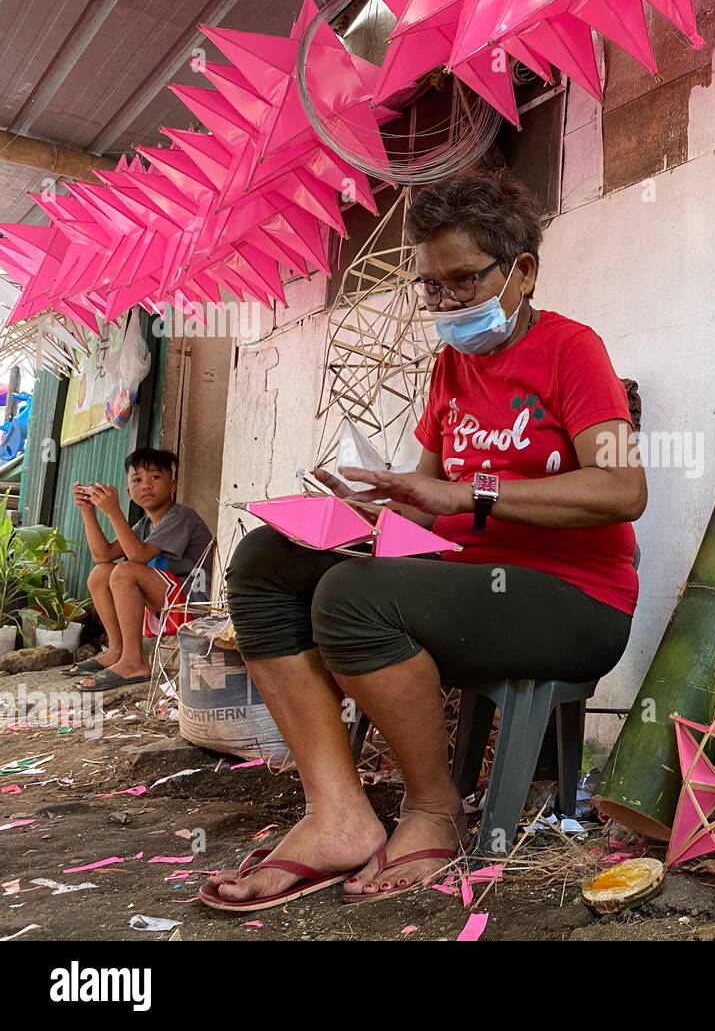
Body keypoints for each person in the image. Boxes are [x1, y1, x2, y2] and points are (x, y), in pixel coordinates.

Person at [203, 168, 645, 912]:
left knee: (352, 598)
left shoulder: (573, 349)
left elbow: (623, 488)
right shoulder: (451, 366)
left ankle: (435, 807)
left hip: (575, 602)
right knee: (264, 563)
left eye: (463, 282)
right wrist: (374, 502)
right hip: (465, 584)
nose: (444, 304)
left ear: (523, 270)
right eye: (431, 288)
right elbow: (427, 507)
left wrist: (472, 494)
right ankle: (336, 810)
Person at [70, 448, 214, 690]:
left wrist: (114, 512)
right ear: (128, 492)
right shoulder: (145, 525)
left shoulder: (181, 516)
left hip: (193, 605)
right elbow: (102, 555)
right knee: (101, 574)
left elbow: (137, 556)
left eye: (156, 477)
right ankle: (117, 651)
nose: (146, 485)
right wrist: (88, 512)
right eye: (137, 480)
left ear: (173, 485)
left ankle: (134, 661)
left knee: (125, 571)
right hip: (168, 602)